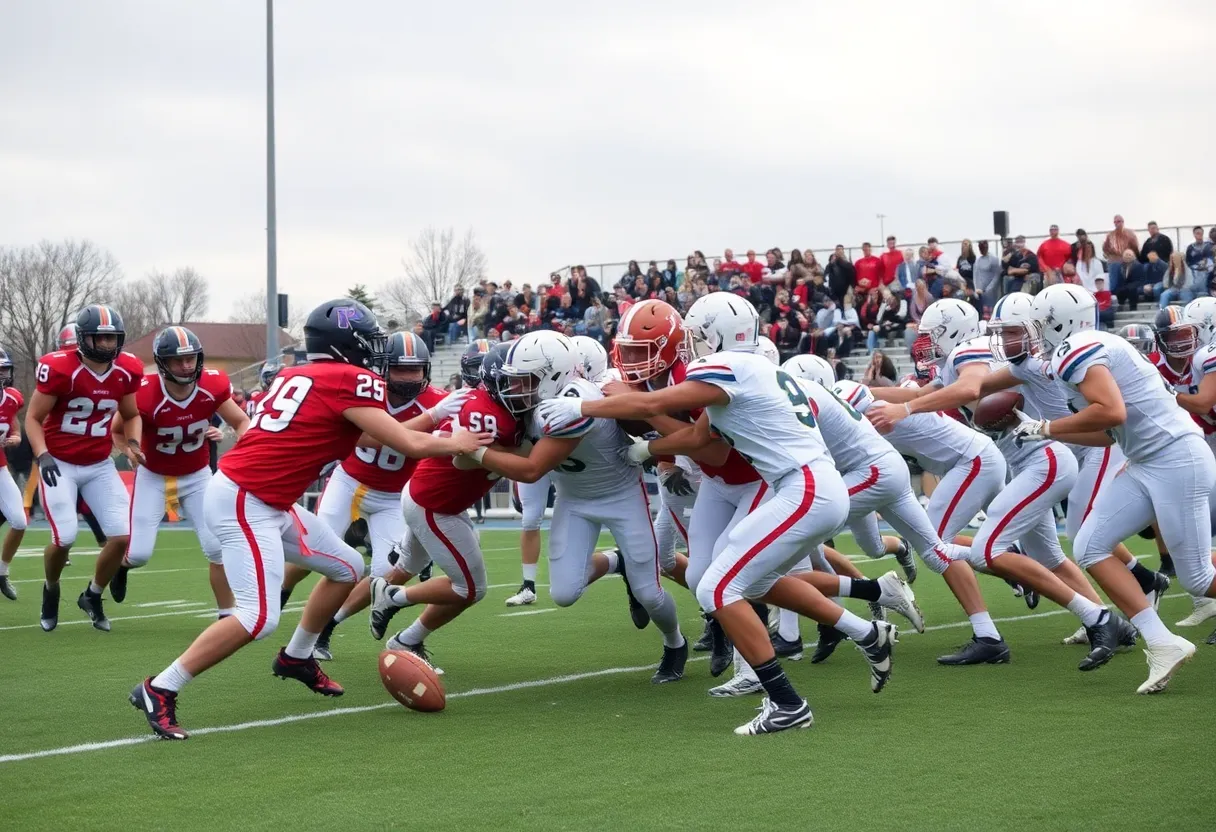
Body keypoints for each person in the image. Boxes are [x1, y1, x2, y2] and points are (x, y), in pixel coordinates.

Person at [539, 293, 898, 736]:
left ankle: (787, 703)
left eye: (695, 336)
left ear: (715, 337)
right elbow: (699, 434)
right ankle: (865, 633)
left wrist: (582, 406)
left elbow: (654, 408)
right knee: (747, 583)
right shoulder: (752, 368)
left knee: (718, 587)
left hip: (798, 486)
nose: (690, 345)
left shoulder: (726, 366)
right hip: (804, 484)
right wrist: (653, 449)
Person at [130, 299, 490, 740]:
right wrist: (459, 440)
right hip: (246, 499)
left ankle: (297, 656)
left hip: (264, 498)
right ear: (347, 345)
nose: (375, 350)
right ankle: (160, 687)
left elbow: (363, 431)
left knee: (347, 567)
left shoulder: (298, 373)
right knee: (256, 618)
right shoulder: (350, 379)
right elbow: (407, 445)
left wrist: (432, 418)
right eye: (369, 340)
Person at [869, 298, 1134, 669]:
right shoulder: (968, 362)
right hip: (1032, 460)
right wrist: (865, 396)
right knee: (1049, 557)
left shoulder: (966, 353)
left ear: (953, 334)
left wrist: (905, 410)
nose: (925, 344)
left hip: (1041, 460)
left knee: (977, 550)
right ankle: (1108, 620)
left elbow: (965, 391)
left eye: (931, 336)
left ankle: (1093, 615)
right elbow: (923, 394)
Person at [449, 331, 689, 683]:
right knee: (563, 594)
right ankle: (615, 561)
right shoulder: (532, 402)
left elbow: (532, 469)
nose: (515, 390)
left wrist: (476, 452)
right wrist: (461, 447)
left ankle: (674, 643)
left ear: (553, 375)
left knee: (649, 594)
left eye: (525, 381)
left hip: (621, 495)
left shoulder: (574, 402)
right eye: (514, 382)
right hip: (574, 499)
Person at [1023, 284, 1212, 693]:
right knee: (1089, 544)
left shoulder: (1078, 348)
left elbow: (1111, 410)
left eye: (1040, 323)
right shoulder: (1093, 345)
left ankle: (1162, 641)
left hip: (1176, 457)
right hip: (1148, 460)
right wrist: (1045, 435)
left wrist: (1046, 427)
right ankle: (1163, 643)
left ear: (1058, 321)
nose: (1036, 333)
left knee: (1198, 578)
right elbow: (1109, 433)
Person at [367, 339, 546, 670]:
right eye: (517, 381)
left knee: (419, 571)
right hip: (435, 503)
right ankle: (391, 597)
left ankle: (405, 639)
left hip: (436, 497)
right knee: (470, 588)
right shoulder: (486, 413)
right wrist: (522, 454)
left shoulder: (503, 407)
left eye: (528, 380)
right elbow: (464, 461)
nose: (525, 389)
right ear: (495, 381)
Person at [304, 331, 464, 661]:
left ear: (426, 370)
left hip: (392, 497)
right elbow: (375, 437)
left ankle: (326, 628)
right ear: (383, 367)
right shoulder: (367, 391)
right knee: (319, 554)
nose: (408, 378)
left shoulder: (438, 400)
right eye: (400, 370)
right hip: (349, 481)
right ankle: (287, 600)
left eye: (415, 370)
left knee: (380, 575)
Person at [107, 326, 251, 612]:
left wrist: (241, 447)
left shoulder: (212, 384)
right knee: (139, 554)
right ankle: (121, 567)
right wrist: (129, 451)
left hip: (197, 475)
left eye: (191, 358)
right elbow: (117, 432)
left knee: (216, 548)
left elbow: (242, 422)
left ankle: (227, 615)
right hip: (154, 476)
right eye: (178, 360)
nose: (187, 365)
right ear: (162, 363)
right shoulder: (144, 393)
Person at [26, 305, 144, 632]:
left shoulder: (127, 369)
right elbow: (33, 419)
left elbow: (132, 414)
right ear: (83, 338)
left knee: (121, 537)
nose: (107, 345)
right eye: (100, 337)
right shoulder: (60, 368)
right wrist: (43, 455)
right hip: (59, 462)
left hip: (97, 463)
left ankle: (93, 594)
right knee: (63, 537)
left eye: (112, 338)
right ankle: (51, 588)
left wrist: (132, 444)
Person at [0, 348, 26, 601]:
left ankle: (1, 572)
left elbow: (13, 426)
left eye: (3, 369)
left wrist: (15, 438)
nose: (2, 375)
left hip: (0, 468)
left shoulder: (11, 398)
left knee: (19, 521)